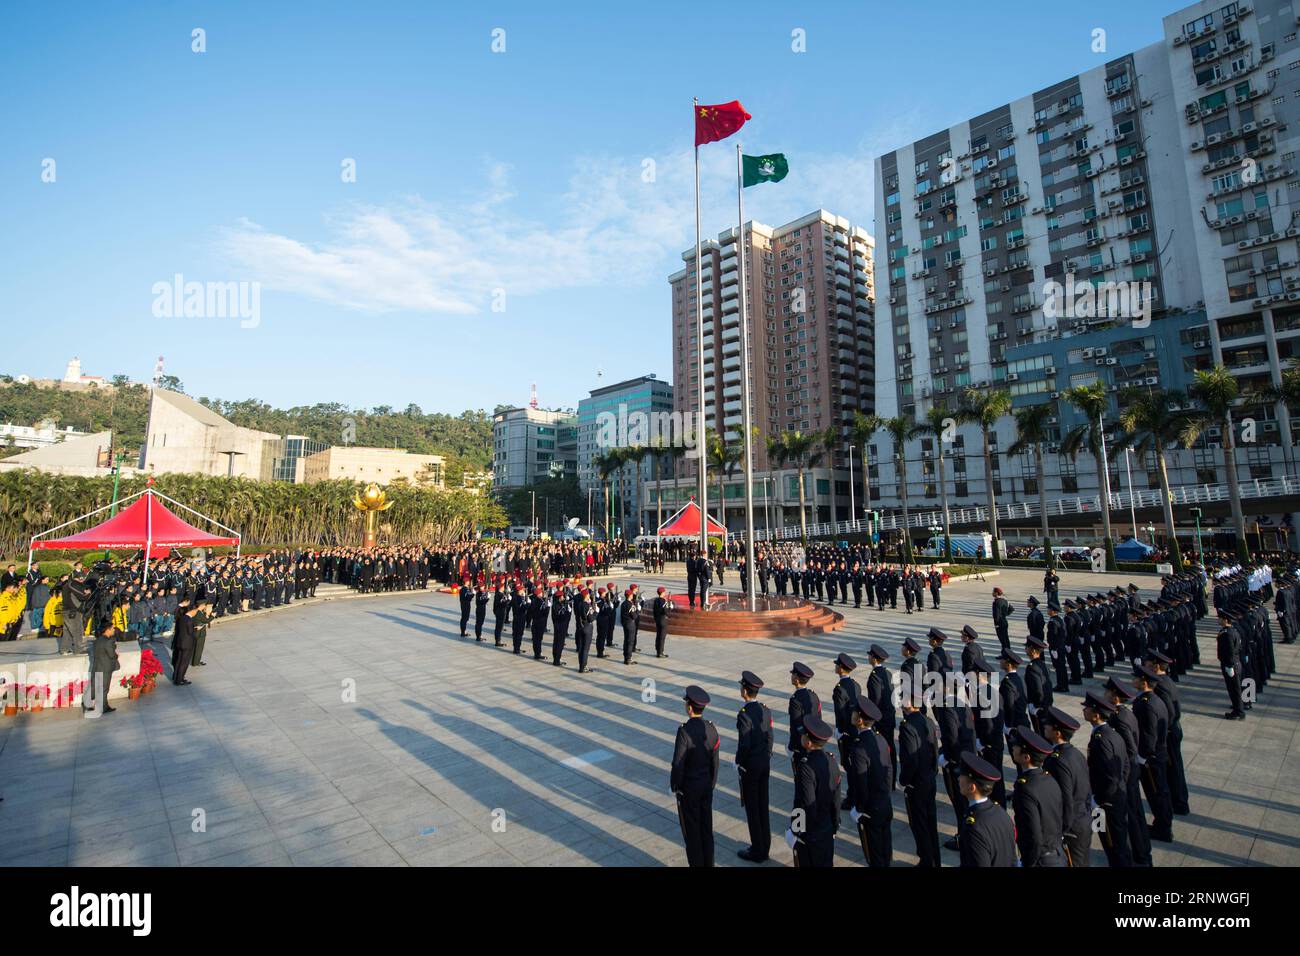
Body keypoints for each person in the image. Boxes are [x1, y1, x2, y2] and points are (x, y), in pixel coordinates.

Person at [670, 685, 720, 867]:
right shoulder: (712, 729)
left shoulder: (684, 731)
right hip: (706, 786)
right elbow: (715, 762)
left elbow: (678, 764)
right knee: (706, 829)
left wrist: (675, 786)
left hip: (689, 789)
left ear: (689, 708)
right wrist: (711, 783)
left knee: (692, 834)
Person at [1083, 691, 1132, 867]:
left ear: (1096, 715)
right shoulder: (1110, 733)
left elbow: (1111, 775)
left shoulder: (1101, 739)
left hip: (1106, 803)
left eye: (1087, 709)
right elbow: (1125, 766)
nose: (1084, 711)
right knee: (1112, 841)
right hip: (1114, 797)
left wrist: (1100, 800)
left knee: (1114, 845)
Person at [1041, 705, 1092, 866]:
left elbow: (1064, 798)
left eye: (1048, 725)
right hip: (1083, 818)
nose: (1044, 726)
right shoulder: (1076, 754)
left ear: (1057, 733)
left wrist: (1062, 830)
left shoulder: (1057, 761)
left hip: (1072, 825)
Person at [1008, 728, 1066, 867]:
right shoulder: (1049, 779)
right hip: (1057, 853)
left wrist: (1028, 862)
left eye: (1016, 747)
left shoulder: (1025, 789)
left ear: (1026, 757)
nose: (1013, 748)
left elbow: (1034, 834)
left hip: (1041, 860)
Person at [897, 685, 941, 867]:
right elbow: (934, 749)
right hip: (929, 777)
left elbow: (910, 759)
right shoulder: (927, 721)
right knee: (930, 822)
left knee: (919, 824)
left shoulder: (907, 727)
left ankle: (926, 860)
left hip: (917, 782)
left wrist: (904, 781)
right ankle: (934, 859)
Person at [847, 697, 892, 867]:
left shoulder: (859, 748)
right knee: (885, 850)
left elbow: (861, 782)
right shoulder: (879, 739)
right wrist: (885, 796)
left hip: (871, 809)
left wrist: (860, 808)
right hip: (883, 803)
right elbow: (889, 771)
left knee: (874, 856)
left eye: (854, 712)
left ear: (859, 720)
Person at [789, 715, 838, 867]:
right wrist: (834, 825)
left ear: (808, 743)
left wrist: (797, 831)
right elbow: (836, 798)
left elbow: (805, 803)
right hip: (827, 828)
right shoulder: (830, 760)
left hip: (812, 834)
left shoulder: (806, 767)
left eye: (803, 735)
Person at [1132, 665, 1174, 843]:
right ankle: (1162, 824)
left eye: (1136, 678)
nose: (1132, 680)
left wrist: (1142, 757)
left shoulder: (1147, 705)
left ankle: (1163, 829)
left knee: (1156, 793)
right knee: (1160, 792)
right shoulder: (1154, 700)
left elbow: (1148, 735)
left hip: (1151, 759)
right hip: (1158, 755)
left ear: (1144, 682)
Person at [735, 671, 773, 863]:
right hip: (764, 762)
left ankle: (758, 850)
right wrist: (766, 755)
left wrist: (738, 762)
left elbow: (744, 744)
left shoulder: (744, 715)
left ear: (744, 690)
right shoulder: (765, 710)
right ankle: (765, 845)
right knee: (763, 805)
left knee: (753, 808)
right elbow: (769, 737)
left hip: (750, 766)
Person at [957, 752, 1017, 867]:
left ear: (972, 787)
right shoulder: (1000, 812)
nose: (959, 778)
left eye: (962, 776)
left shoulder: (974, 827)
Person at [831, 653, 861, 811]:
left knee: (849, 766)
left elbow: (840, 712)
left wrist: (840, 730)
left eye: (837, 665)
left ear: (841, 669)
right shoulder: (855, 685)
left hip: (847, 733)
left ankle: (852, 797)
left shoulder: (839, 689)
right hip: (856, 729)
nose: (836, 666)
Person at [787, 662, 820, 772]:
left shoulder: (795, 700)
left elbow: (796, 726)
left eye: (793, 674)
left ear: (796, 679)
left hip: (801, 746)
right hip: (814, 743)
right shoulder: (813, 695)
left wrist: (792, 747)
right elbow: (818, 719)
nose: (791, 676)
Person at [83, 623, 120, 716]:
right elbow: (112, 655)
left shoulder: (97, 640)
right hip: (105, 668)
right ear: (107, 630)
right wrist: (117, 655)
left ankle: (87, 703)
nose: (114, 630)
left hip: (97, 666)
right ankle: (103, 707)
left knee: (94, 686)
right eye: (112, 629)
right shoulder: (108, 641)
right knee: (104, 688)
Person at [991, 587, 1012, 652]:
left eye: (993, 592)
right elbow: (1011, 609)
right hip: (1004, 621)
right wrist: (1005, 614)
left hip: (999, 624)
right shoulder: (1005, 600)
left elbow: (996, 615)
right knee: (1005, 638)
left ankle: (1005, 654)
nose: (992, 593)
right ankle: (1007, 652)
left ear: (996, 593)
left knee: (1002, 639)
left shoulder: (996, 602)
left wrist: (996, 624)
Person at [652, 587, 671, 658]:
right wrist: (669, 607)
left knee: (658, 635)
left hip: (657, 619)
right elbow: (666, 611)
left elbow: (654, 611)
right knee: (662, 637)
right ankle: (660, 652)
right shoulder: (663, 601)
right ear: (662, 593)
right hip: (663, 620)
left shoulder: (656, 600)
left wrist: (655, 619)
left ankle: (658, 650)